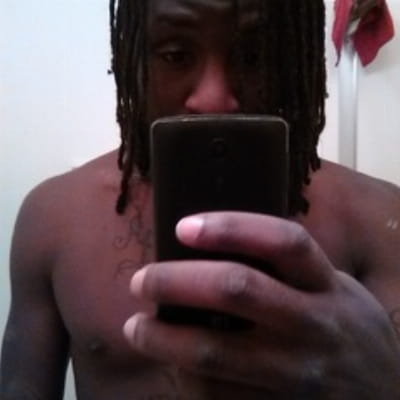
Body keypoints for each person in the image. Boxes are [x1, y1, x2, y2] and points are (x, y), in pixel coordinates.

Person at [1, 0, 400, 398]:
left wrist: (385, 382)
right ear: (131, 57)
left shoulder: (376, 218)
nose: (214, 100)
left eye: (253, 56)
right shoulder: (52, 218)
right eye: (175, 55)